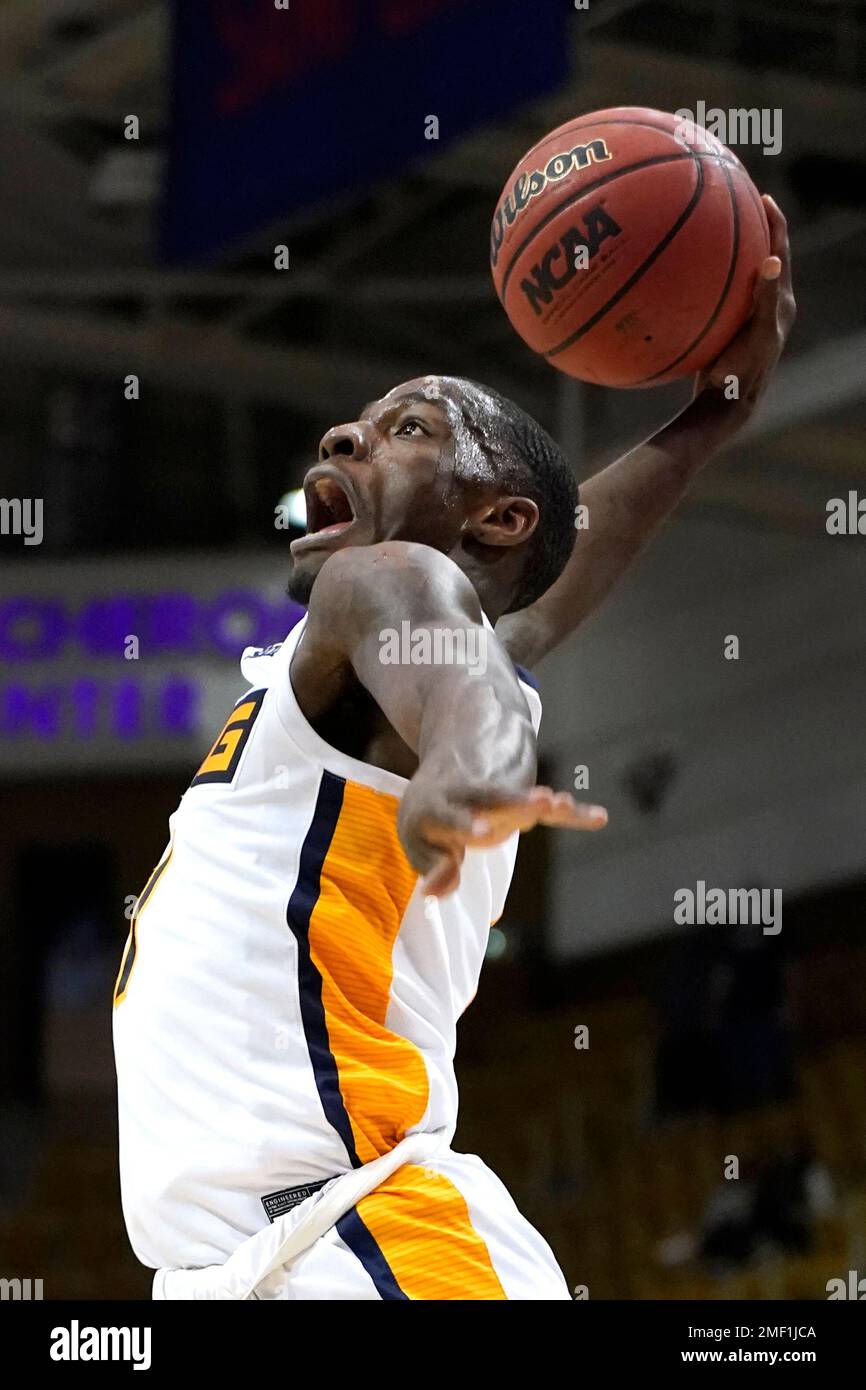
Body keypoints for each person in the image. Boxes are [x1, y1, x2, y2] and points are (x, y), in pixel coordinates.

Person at [113, 200, 795, 1300]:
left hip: (359, 1240)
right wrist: (707, 418)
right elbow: (517, 621)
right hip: (243, 1268)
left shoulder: (376, 587)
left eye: (410, 430)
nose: (344, 436)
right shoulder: (407, 656)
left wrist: (467, 768)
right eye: (358, 424)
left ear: (496, 520)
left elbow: (466, 674)